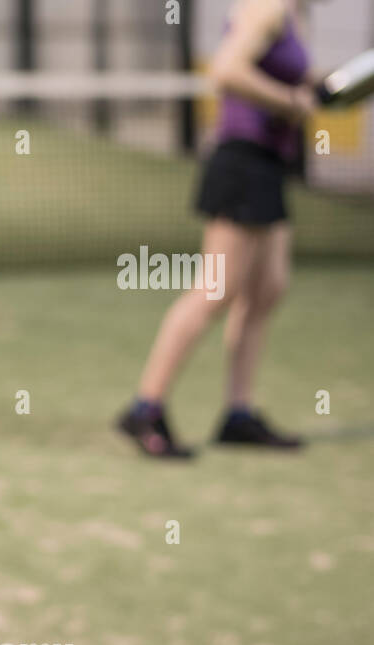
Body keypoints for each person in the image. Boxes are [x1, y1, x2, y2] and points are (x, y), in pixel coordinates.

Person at [117, 0, 314, 458]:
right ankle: (145, 408)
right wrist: (290, 102)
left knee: (267, 289)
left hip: (268, 164)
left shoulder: (291, 14)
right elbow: (226, 71)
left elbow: (286, 77)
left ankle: (238, 415)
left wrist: (314, 92)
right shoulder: (265, 8)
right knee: (215, 291)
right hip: (241, 163)